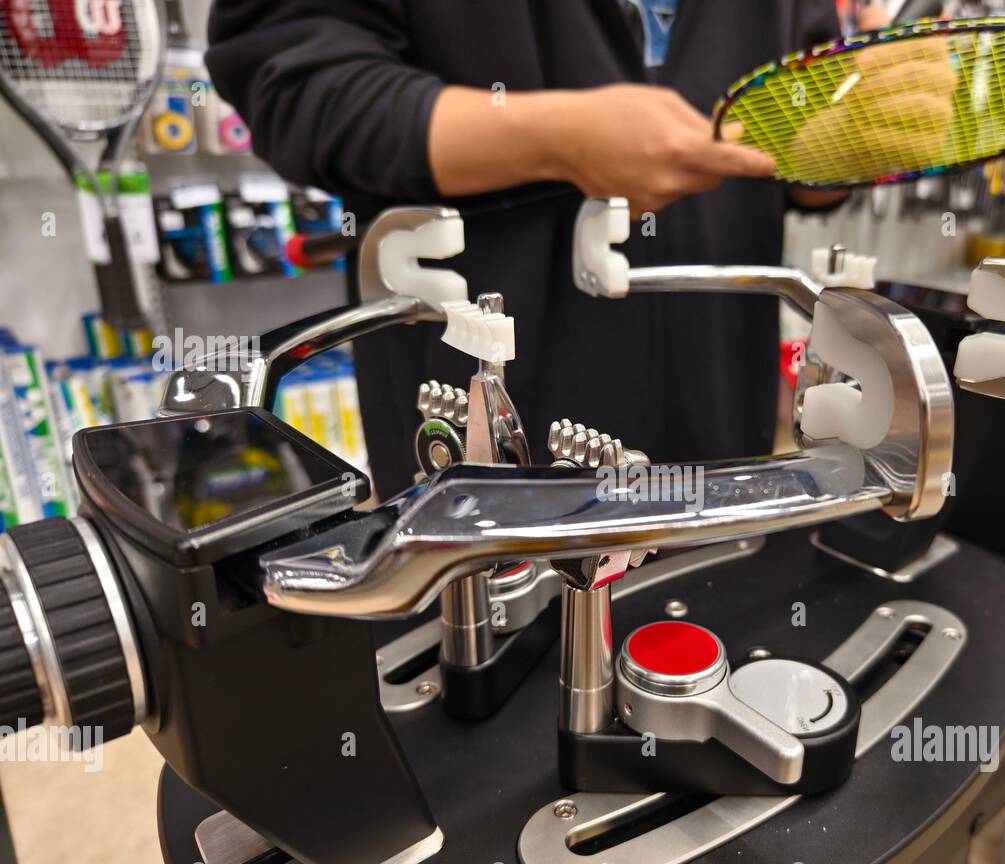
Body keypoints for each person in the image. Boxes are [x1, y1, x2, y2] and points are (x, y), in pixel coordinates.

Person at [206, 1, 843, 500]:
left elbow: (804, 158)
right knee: (499, 640)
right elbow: (295, 80)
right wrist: (554, 138)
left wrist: (850, 146)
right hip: (483, 429)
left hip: (725, 415)